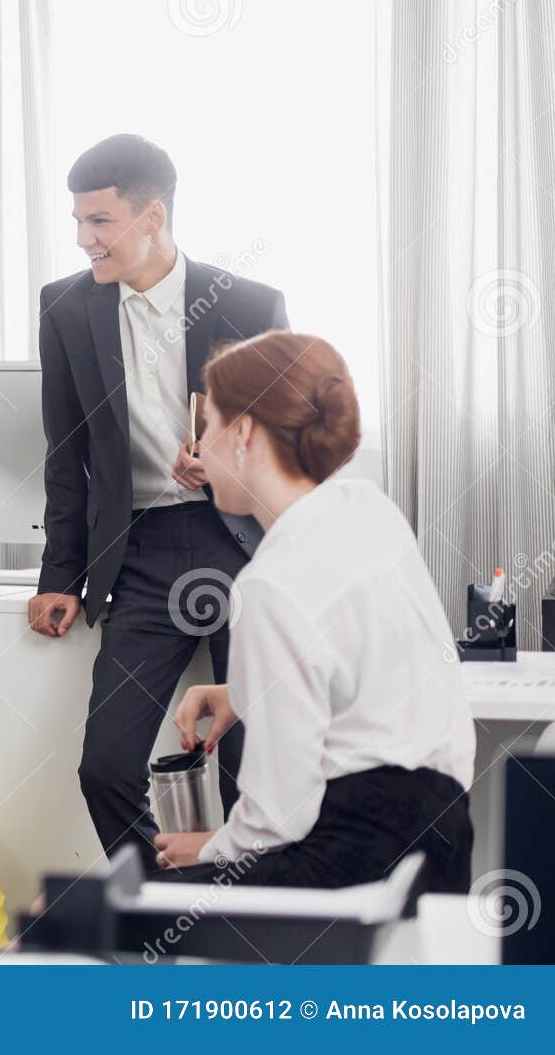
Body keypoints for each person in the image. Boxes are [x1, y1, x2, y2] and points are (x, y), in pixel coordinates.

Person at [28, 133, 288, 868]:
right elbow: (65, 452)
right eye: (77, 221)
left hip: (242, 546)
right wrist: (59, 573)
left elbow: (291, 441)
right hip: (138, 555)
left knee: (254, 767)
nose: (84, 240)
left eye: (99, 222)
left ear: (152, 217)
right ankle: (174, 912)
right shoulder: (66, 310)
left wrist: (229, 461)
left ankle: (254, 934)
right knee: (105, 768)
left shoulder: (249, 302)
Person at [151, 331, 474, 893]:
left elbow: (277, 818)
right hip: (443, 842)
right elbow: (366, 672)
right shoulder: (372, 511)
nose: (198, 447)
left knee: (90, 920)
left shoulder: (267, 584)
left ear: (245, 433)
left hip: (347, 864)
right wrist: (245, 691)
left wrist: (210, 847)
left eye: (207, 425)